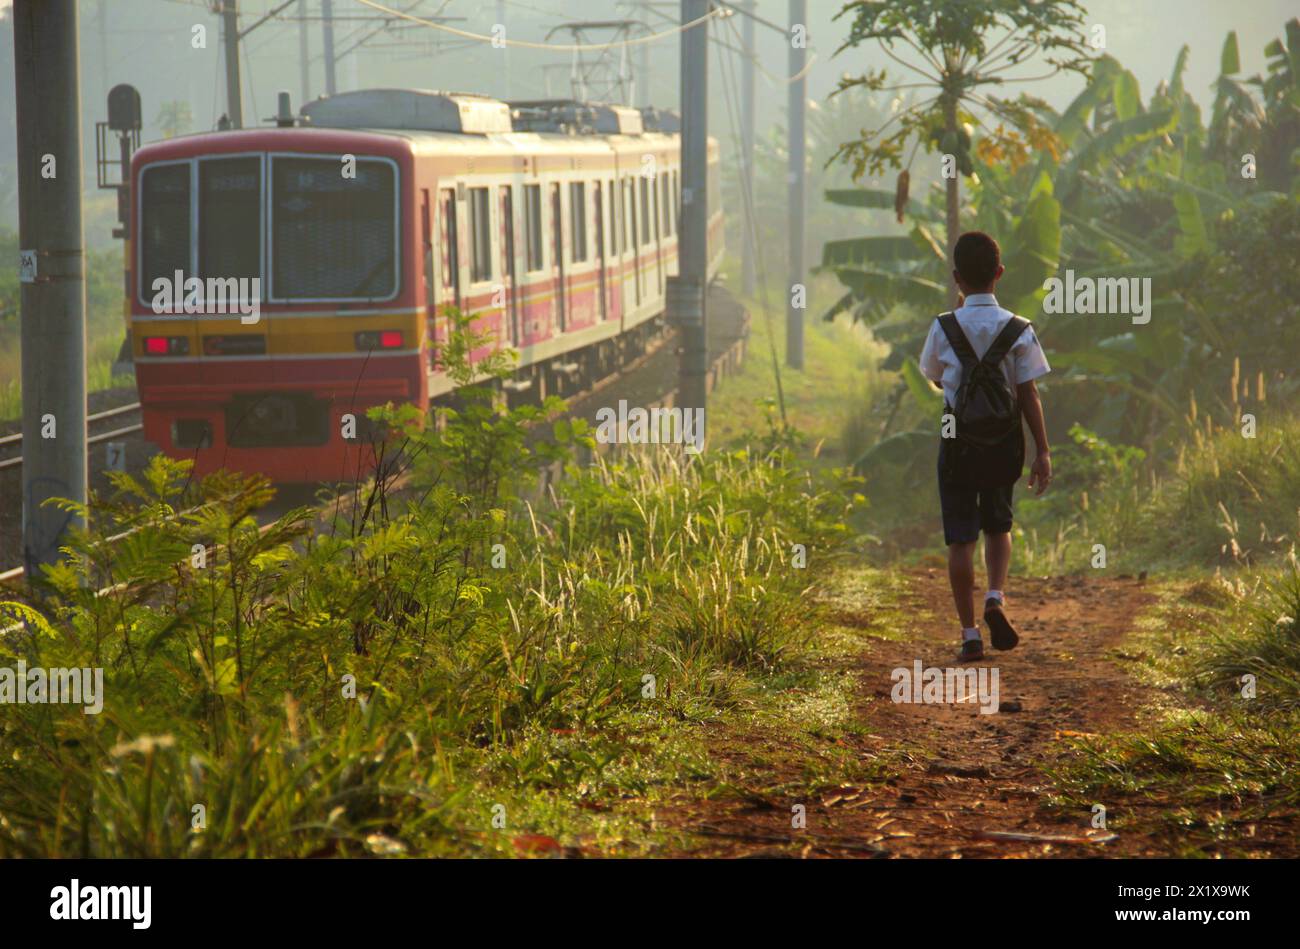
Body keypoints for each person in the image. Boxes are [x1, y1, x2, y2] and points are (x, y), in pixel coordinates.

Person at [918, 231, 1053, 663]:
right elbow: (1028, 392)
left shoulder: (943, 326)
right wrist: (1043, 451)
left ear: (957, 278)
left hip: (957, 441)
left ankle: (969, 634)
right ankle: (995, 595)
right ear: (999, 273)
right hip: (1004, 441)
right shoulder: (1018, 328)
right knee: (999, 524)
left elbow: (938, 378)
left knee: (961, 538)